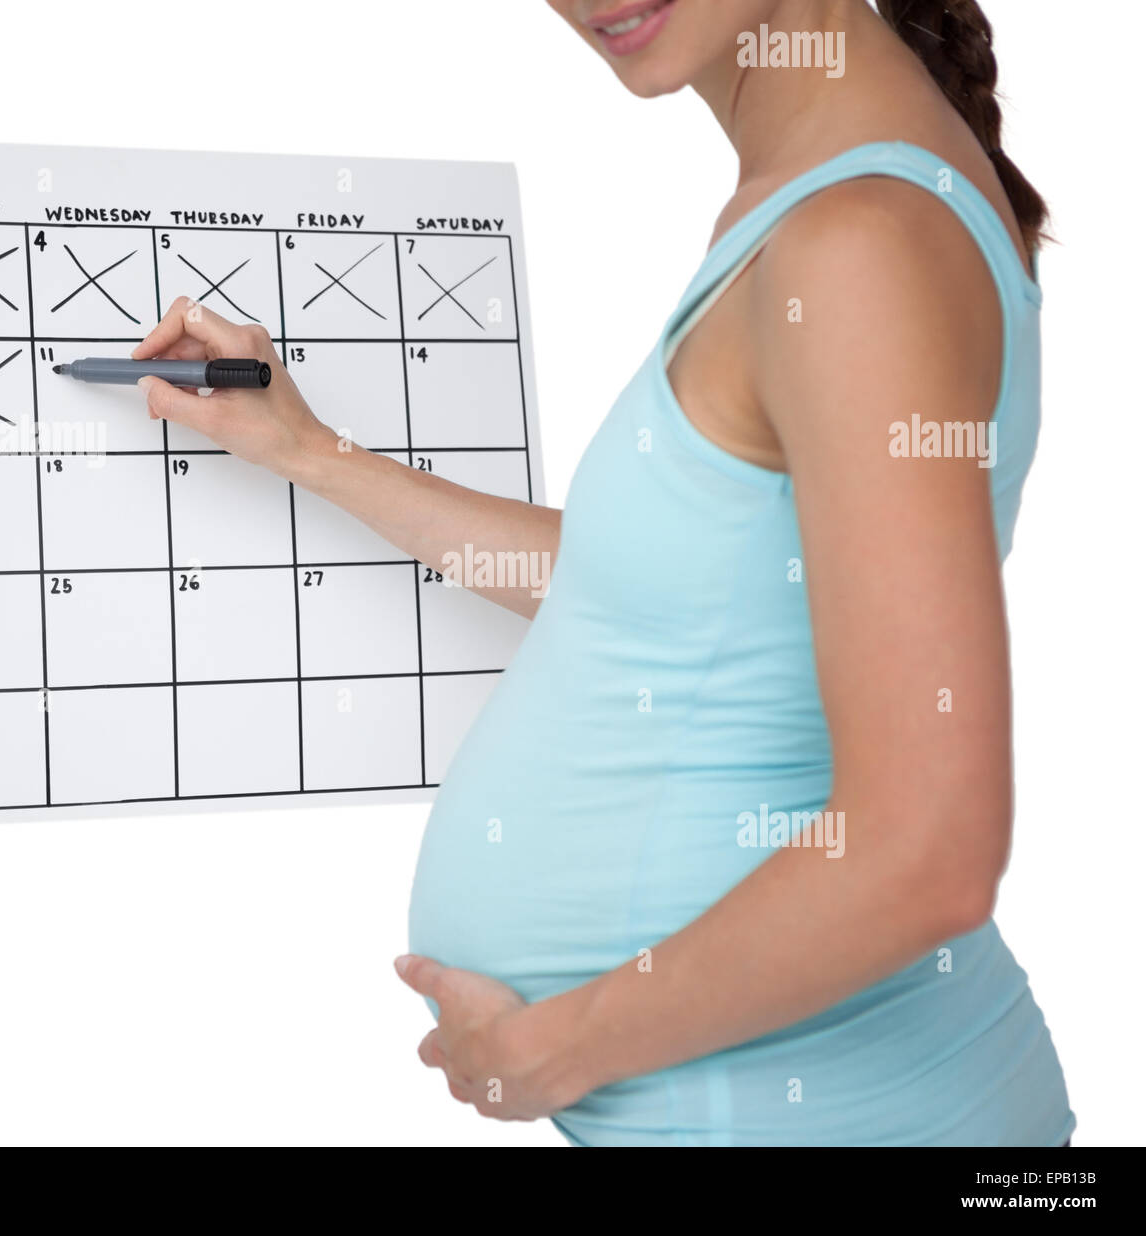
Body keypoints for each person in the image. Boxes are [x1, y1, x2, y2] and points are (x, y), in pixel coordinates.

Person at [133, 0, 1074, 1145]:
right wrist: (310, 454)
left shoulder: (855, 241)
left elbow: (923, 855)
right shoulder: (837, 198)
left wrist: (547, 1051)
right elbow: (683, 589)